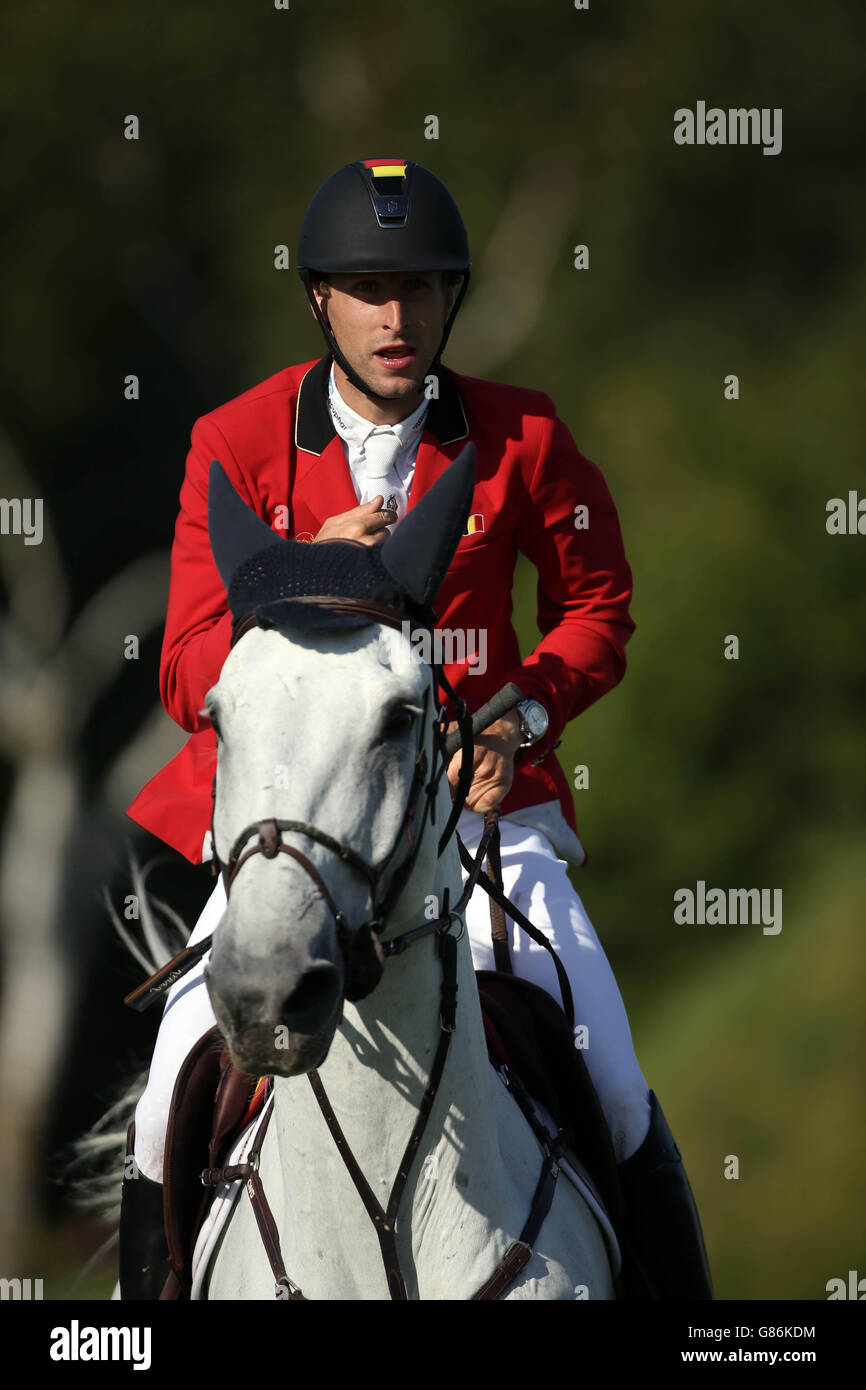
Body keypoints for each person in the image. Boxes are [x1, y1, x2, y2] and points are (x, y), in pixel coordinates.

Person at [121, 157, 713, 1300]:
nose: (397, 320)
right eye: (365, 290)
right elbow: (190, 663)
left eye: (423, 290)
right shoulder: (233, 443)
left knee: (617, 1081)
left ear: (450, 298)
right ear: (318, 301)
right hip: (292, 830)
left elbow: (598, 606)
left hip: (487, 827)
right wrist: (304, 572)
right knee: (160, 1104)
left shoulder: (522, 437)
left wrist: (523, 716)